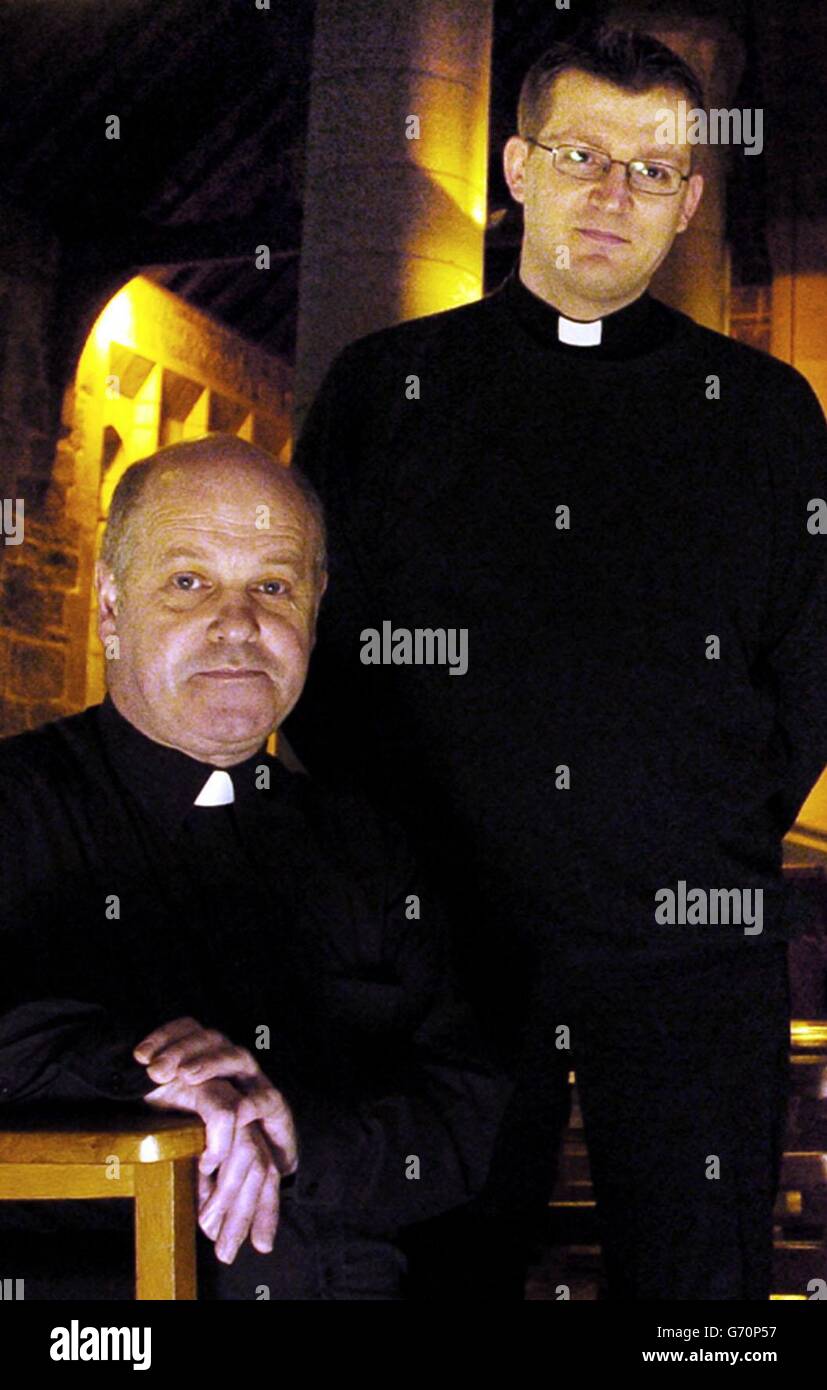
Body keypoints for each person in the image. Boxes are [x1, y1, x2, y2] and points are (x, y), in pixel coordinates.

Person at [286, 25, 827, 1300]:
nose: (610, 197)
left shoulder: (761, 413)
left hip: (686, 952)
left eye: (649, 172)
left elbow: (808, 669)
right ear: (518, 167)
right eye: (581, 155)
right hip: (445, 957)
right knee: (436, 1275)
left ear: (689, 198)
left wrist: (699, 847)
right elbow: (318, 649)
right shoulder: (387, 389)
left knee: (698, 1301)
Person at [0, 433, 508, 1300]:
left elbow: (463, 1118)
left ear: (313, 612)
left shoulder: (375, 848)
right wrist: (161, 1079)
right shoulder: (16, 807)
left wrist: (297, 1134)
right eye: (189, 582)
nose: (237, 624)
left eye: (272, 587)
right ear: (112, 610)